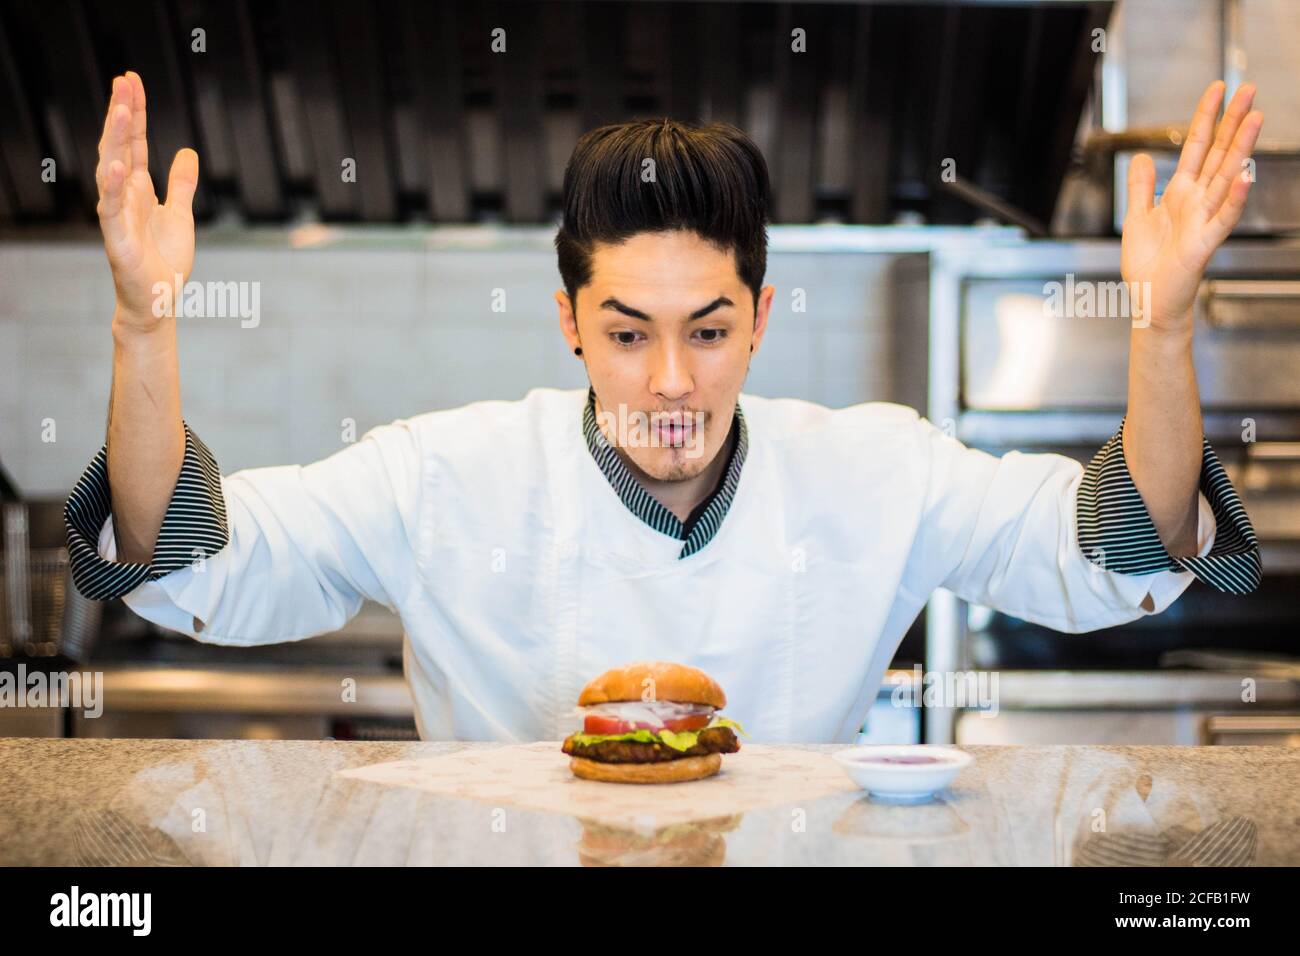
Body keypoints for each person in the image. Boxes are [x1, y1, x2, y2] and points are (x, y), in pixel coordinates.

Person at [66, 72, 1262, 742]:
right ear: (569, 321)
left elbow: (1122, 547)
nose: (674, 381)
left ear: (762, 316)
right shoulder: (442, 474)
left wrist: (1159, 327)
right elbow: (188, 558)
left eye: (711, 330)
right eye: (629, 333)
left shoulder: (876, 472)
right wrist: (141, 324)